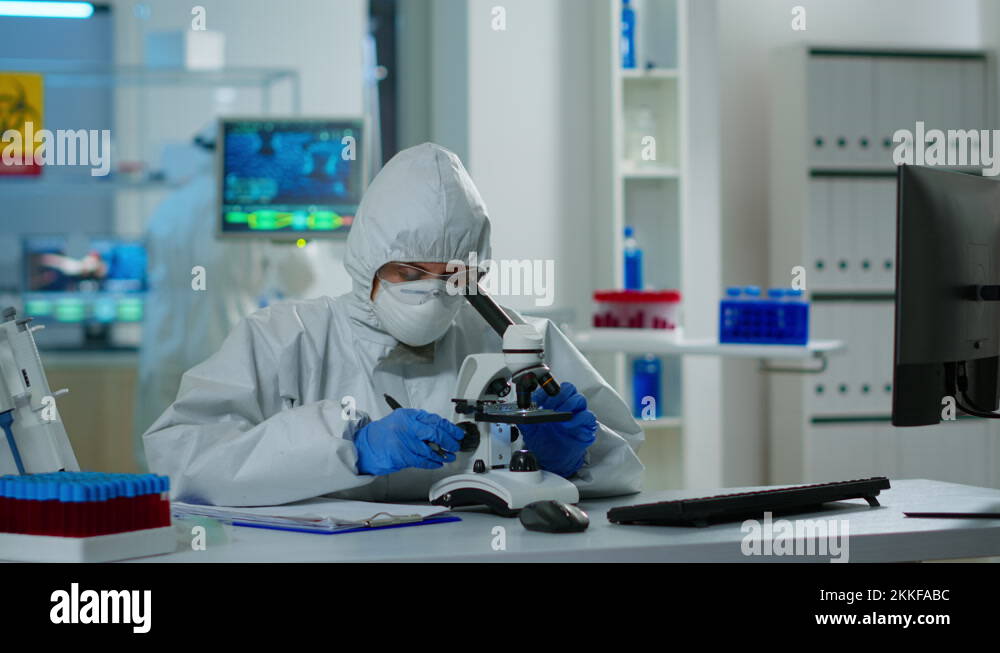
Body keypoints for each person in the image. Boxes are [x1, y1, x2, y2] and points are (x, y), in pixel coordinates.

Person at [144, 143, 644, 506]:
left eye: (452, 276)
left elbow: (627, 466)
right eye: (409, 272)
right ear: (368, 262)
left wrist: (571, 459)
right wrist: (346, 449)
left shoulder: (516, 342)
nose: (430, 292)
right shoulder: (284, 338)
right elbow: (179, 457)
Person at [134, 124, 313, 470]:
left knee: (156, 456)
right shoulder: (245, 207)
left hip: (162, 340)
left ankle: (159, 520)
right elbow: (300, 277)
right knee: (219, 455)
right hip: (222, 334)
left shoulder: (169, 207)